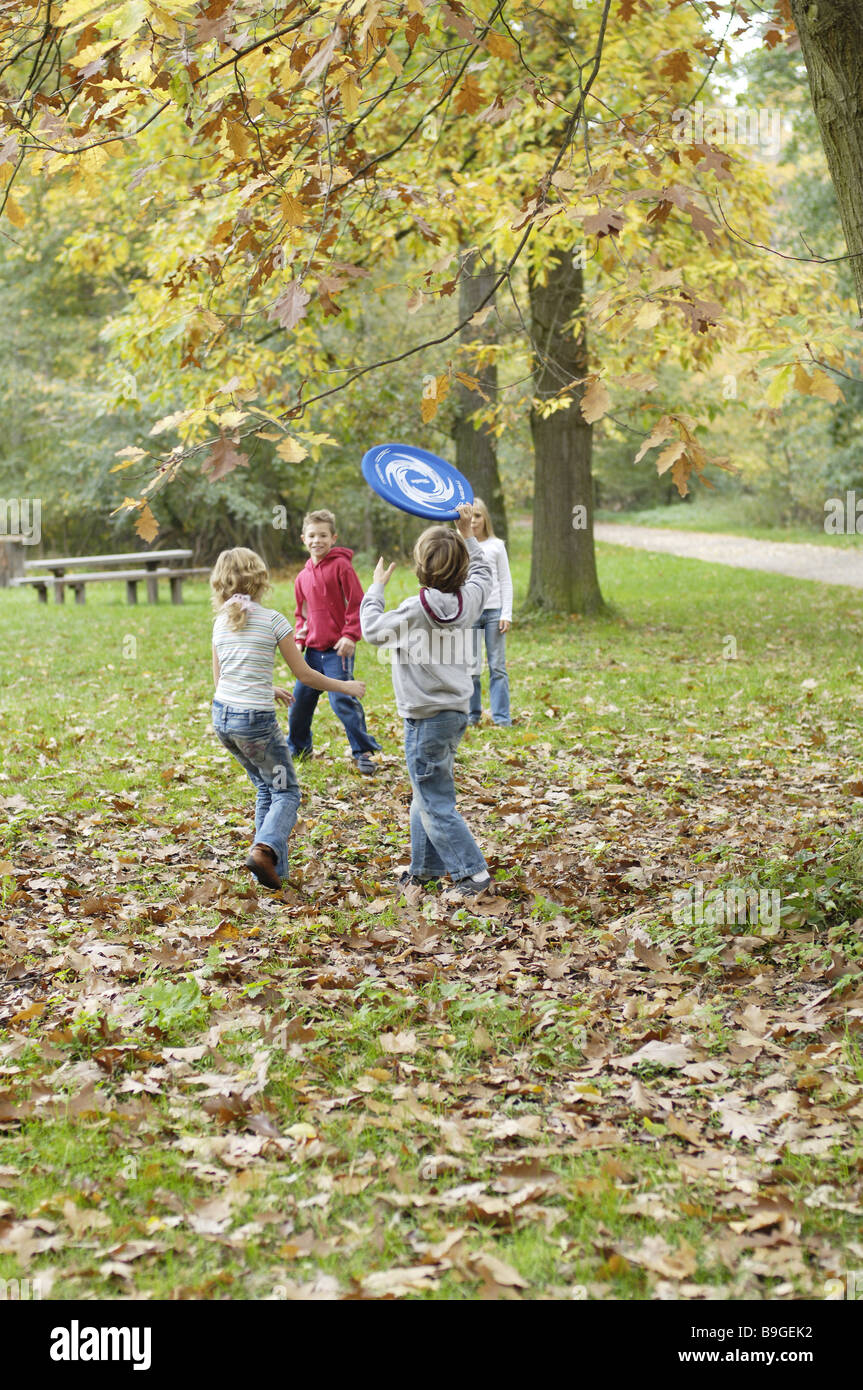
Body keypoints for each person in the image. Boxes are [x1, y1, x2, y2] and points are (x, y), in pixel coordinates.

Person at [210, 547, 366, 892]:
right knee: (287, 792)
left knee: (266, 787)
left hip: (223, 718)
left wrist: (267, 686)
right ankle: (264, 850)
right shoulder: (273, 620)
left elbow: (224, 681)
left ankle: (269, 872)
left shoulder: (221, 621)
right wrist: (347, 686)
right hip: (254, 722)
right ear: (261, 580)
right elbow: (307, 675)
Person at [360, 504, 493, 899]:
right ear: (462, 567)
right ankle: (426, 868)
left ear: (420, 566)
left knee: (433, 798)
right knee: (425, 790)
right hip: (455, 712)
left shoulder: (414, 610)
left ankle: (473, 873)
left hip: (424, 718)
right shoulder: (470, 599)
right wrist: (468, 532)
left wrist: (376, 589)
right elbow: (484, 571)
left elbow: (370, 630)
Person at [288, 509, 381, 775]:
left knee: (342, 700)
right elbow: (301, 614)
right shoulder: (302, 577)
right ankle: (298, 748)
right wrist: (299, 639)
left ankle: (362, 751)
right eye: (312, 535)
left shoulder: (342, 566)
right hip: (312, 653)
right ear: (303, 538)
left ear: (334, 537)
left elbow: (357, 602)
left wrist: (350, 634)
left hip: (337, 650)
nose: (317, 540)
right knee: (300, 702)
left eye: (323, 535)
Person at [468, 497, 513, 726]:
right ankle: (472, 715)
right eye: (470, 516)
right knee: (472, 668)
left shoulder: (496, 546)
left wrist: (507, 613)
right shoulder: (462, 545)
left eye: (478, 516)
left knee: (497, 666)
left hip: (495, 612)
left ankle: (502, 717)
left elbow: (505, 581)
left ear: (485, 518)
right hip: (471, 613)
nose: (474, 521)